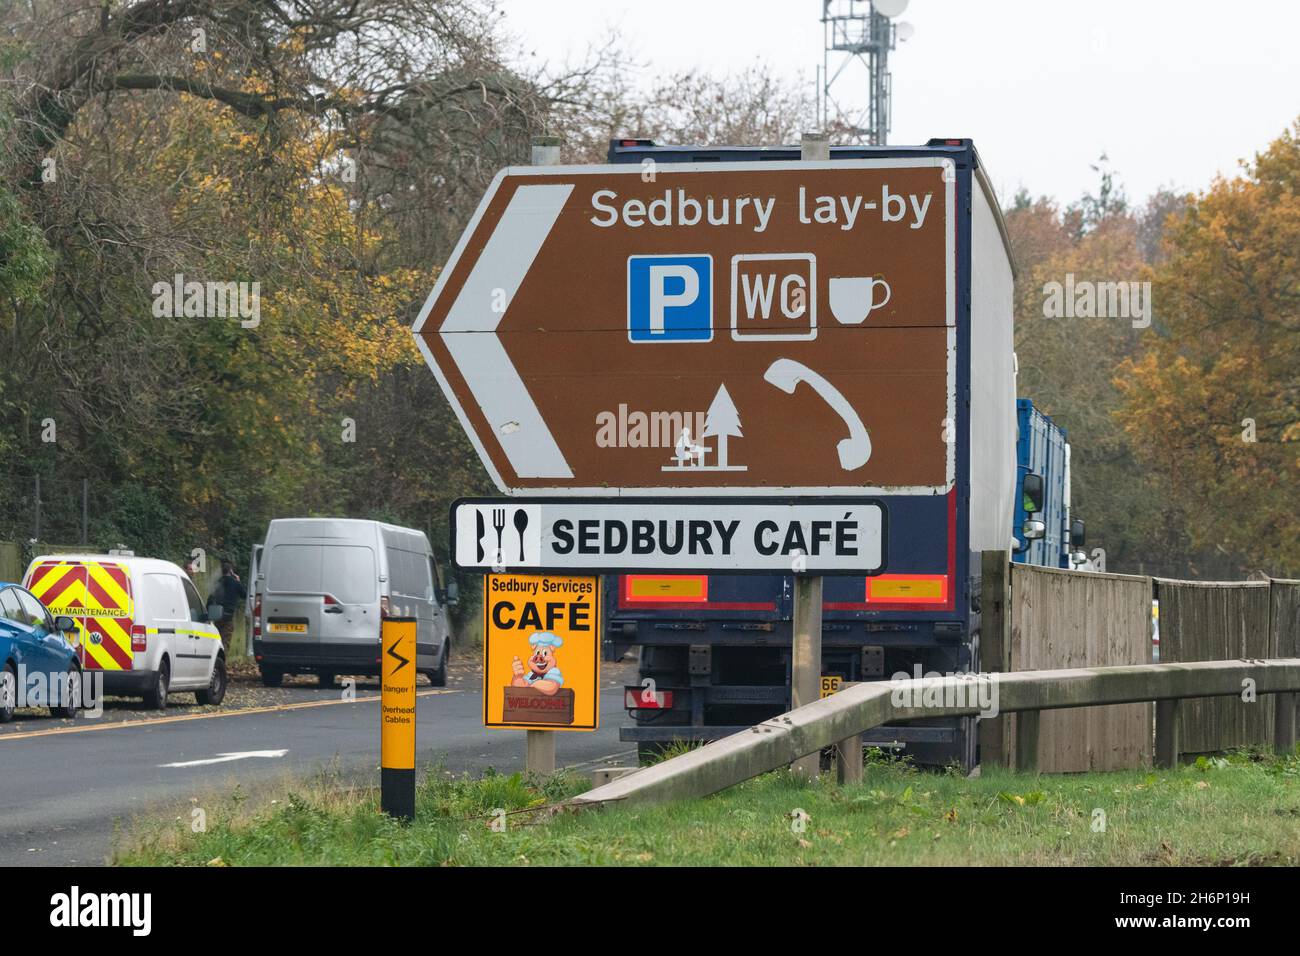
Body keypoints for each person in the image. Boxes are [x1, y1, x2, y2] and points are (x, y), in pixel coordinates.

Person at [209, 559, 246, 652]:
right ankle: (222, 662)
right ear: (231, 571)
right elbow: (245, 595)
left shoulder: (217, 583)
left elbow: (210, 598)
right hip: (228, 617)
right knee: (225, 642)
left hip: (217, 616)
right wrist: (238, 581)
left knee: (216, 641)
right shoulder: (235, 583)